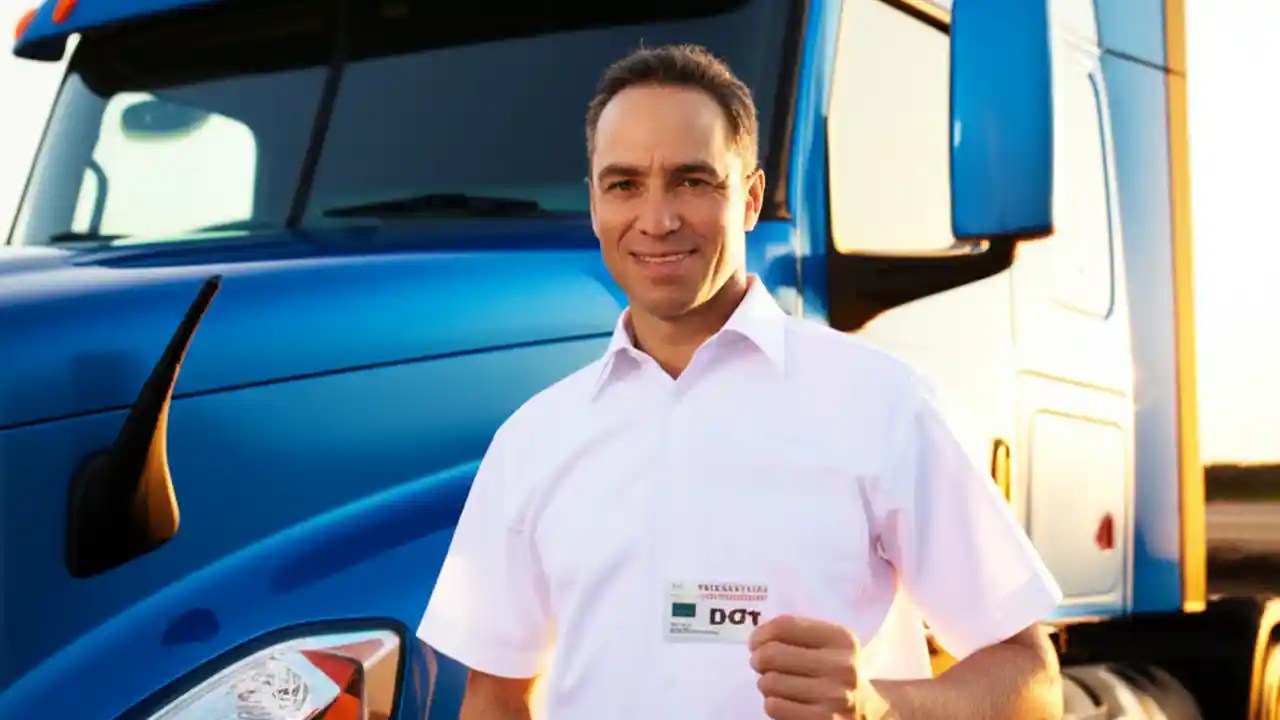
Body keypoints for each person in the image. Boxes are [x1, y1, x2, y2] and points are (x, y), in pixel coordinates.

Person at [417, 44, 1066, 719]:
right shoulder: (532, 440)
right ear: (595, 203)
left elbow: (1033, 683)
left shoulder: (887, 407)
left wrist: (878, 708)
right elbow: (493, 697)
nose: (657, 219)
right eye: (625, 184)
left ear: (750, 199)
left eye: (692, 181)